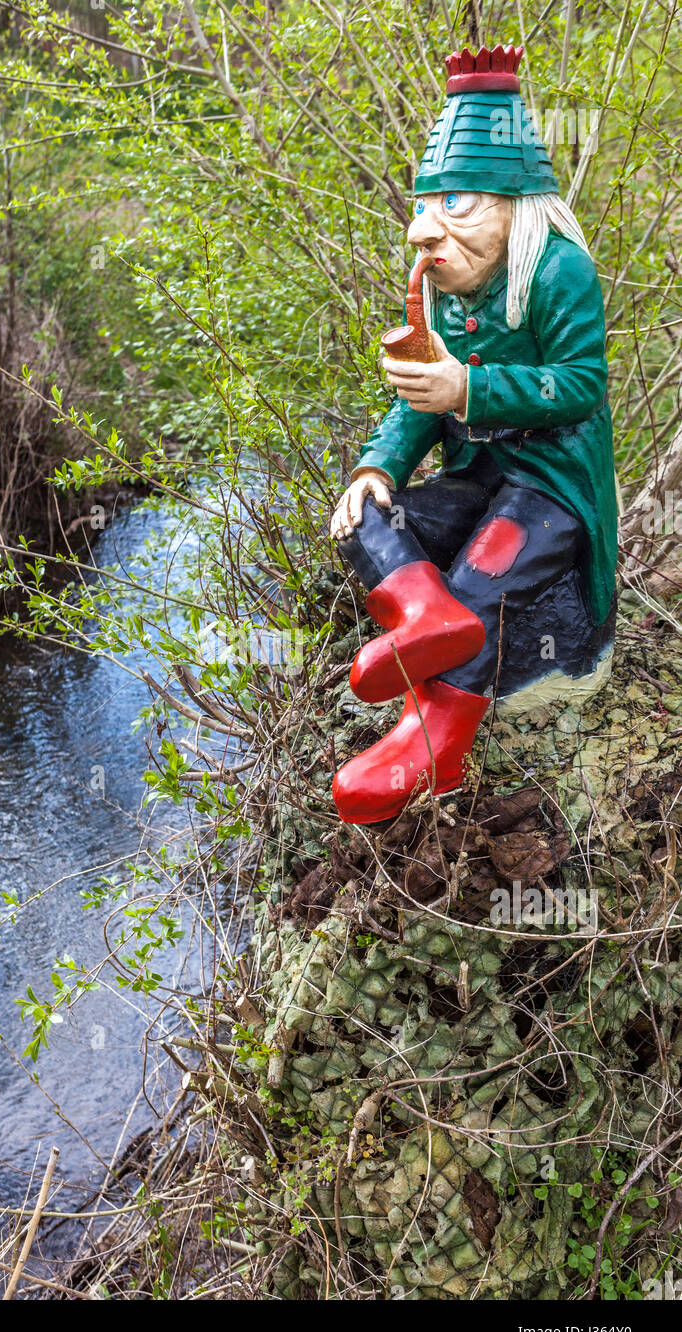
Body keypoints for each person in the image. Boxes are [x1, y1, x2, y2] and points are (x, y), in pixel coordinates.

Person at [329, 44, 617, 825]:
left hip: (551, 485)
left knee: (483, 580)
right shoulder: (445, 293)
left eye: (456, 203)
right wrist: (376, 466)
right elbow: (424, 398)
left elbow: (583, 385)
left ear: (512, 205)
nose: (426, 230)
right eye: (425, 204)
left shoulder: (559, 274)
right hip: (479, 478)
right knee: (366, 520)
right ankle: (429, 622)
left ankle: (434, 747)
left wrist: (472, 387)